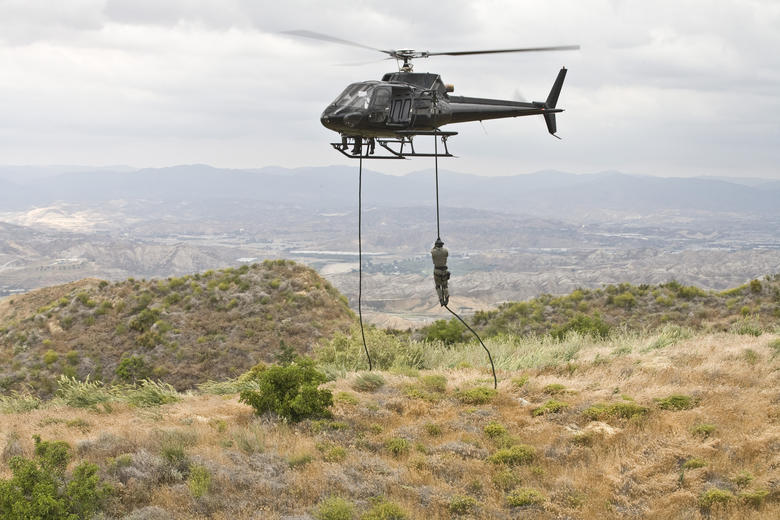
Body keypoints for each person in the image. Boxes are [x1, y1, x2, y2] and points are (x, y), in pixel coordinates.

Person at [430, 238, 450, 306]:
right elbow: (446, 255)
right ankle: (447, 297)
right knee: (445, 285)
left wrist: (435, 246)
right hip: (444, 270)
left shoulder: (434, 252)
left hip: (437, 270)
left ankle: (441, 299)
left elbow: (432, 251)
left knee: (438, 286)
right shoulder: (445, 251)